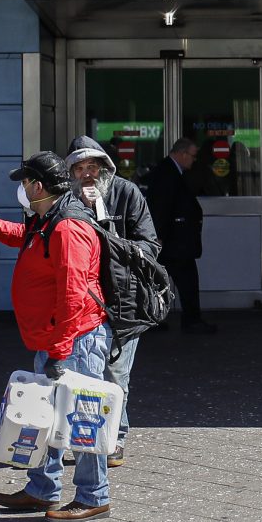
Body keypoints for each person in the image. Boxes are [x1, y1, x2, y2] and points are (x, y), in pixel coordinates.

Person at [0, 152, 114, 522]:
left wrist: (60, 350)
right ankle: (42, 489)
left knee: (82, 418)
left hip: (75, 339)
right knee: (46, 416)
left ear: (38, 186)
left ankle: (94, 495)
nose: (22, 188)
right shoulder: (48, 219)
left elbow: (73, 294)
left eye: (25, 182)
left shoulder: (67, 228)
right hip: (56, 337)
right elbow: (24, 238)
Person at [66, 135, 160, 467]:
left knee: (116, 373)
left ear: (106, 167)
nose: (87, 174)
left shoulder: (126, 193)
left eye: (93, 166)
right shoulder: (65, 202)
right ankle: (88, 436)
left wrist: (105, 226)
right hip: (83, 302)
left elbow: (150, 246)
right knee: (81, 373)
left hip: (125, 300)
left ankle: (115, 438)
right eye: (80, 168)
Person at [146, 137, 214, 333]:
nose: (194, 160)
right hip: (174, 241)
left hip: (174, 240)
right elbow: (160, 206)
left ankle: (158, 320)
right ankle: (190, 320)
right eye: (192, 156)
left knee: (163, 280)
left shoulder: (171, 171)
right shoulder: (167, 173)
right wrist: (158, 236)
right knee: (184, 280)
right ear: (182, 154)